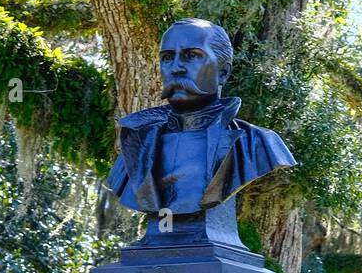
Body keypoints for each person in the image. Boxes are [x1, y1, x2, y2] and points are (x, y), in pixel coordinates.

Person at [105, 17, 296, 219]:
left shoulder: (255, 144)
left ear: (223, 72)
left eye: (192, 55)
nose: (176, 68)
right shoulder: (135, 144)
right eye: (168, 57)